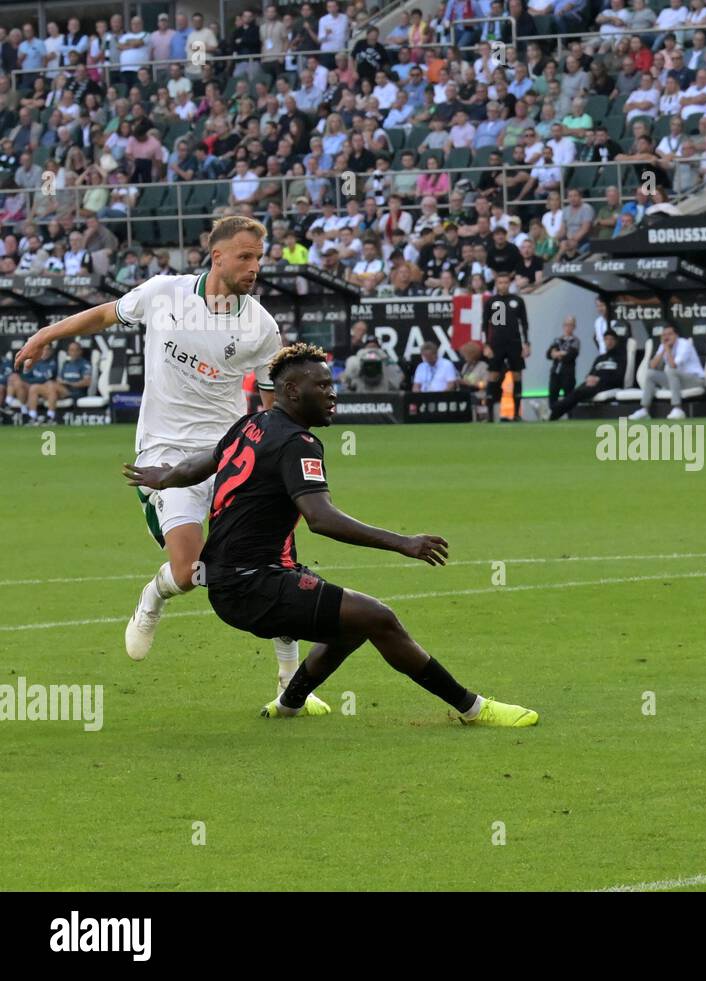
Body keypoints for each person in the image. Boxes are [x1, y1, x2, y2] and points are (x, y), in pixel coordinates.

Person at [123, 343, 538, 727]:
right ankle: (472, 708)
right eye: (321, 385)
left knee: (351, 622)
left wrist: (168, 476)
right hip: (252, 584)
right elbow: (321, 518)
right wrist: (403, 542)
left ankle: (289, 703)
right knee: (378, 617)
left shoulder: (253, 423)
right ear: (290, 390)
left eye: (331, 384)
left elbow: (204, 462)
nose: (331, 393)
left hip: (238, 581)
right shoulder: (298, 443)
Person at [9, 216, 317, 710]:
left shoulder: (260, 325)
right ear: (217, 257)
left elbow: (270, 405)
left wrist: (274, 462)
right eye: (245, 257)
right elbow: (106, 314)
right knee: (190, 569)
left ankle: (289, 682)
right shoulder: (165, 293)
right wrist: (50, 332)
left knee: (271, 561)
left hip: (226, 455)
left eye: (260, 257)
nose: (255, 267)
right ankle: (153, 598)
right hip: (165, 453)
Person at [629, 323, 706, 420]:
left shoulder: (684, 344)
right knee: (650, 374)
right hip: (676, 381)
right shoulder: (664, 346)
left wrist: (667, 349)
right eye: (664, 335)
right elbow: (652, 366)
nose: (666, 337)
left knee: (670, 370)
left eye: (670, 334)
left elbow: (673, 365)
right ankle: (644, 410)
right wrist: (662, 351)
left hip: (695, 380)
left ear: (676, 335)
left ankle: (678, 408)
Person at [481, 269, 530, 421]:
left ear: (510, 284)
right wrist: (486, 345)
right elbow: (485, 325)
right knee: (493, 376)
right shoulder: (492, 302)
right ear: (496, 284)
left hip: (515, 343)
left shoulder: (517, 301)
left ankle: (516, 414)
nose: (503, 285)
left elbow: (524, 324)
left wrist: (527, 344)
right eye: (500, 283)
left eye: (506, 282)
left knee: (516, 375)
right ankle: (490, 415)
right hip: (497, 344)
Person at [550, 329, 627, 420]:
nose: (609, 342)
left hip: (606, 384)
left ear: (615, 341)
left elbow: (619, 378)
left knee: (577, 393)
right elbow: (591, 373)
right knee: (574, 393)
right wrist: (589, 378)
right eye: (606, 339)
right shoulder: (600, 358)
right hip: (591, 383)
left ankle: (551, 411)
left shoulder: (620, 358)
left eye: (611, 339)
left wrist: (599, 380)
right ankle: (552, 416)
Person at [546, 315, 581, 417]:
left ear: (574, 327)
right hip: (555, 372)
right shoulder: (557, 340)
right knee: (553, 395)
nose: (568, 327)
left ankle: (571, 416)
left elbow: (570, 356)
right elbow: (549, 354)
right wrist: (561, 353)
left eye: (570, 325)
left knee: (569, 396)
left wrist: (557, 354)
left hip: (568, 373)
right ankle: (552, 416)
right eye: (566, 325)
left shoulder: (575, 341)